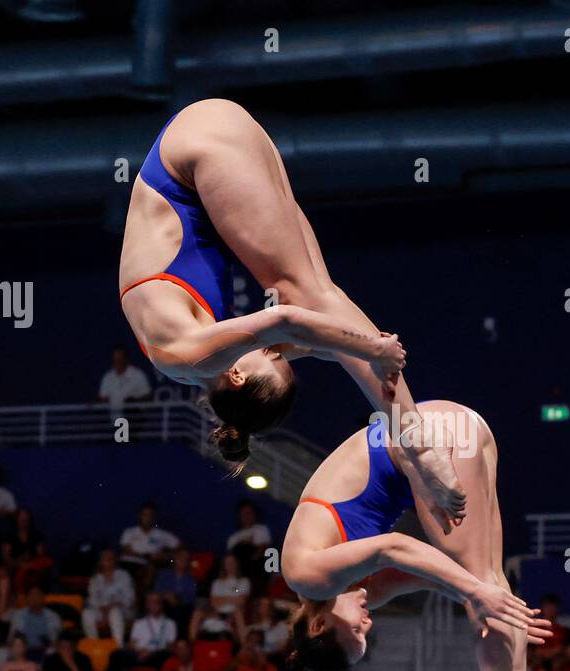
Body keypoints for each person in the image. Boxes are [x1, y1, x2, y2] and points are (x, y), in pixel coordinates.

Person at [117, 98, 463, 522]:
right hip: (216, 136)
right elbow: (319, 338)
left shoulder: (186, 354)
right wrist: (358, 349)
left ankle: (418, 445)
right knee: (319, 293)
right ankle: (411, 446)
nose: (274, 349)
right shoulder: (209, 357)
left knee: (300, 293)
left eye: (271, 356)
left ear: (239, 376)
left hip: (195, 151)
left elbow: (287, 321)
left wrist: (374, 350)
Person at [278, 401, 549, 671]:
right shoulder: (360, 589)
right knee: (491, 587)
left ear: (319, 623)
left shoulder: (308, 575)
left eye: (357, 631)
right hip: (459, 434)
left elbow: (396, 546)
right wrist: (484, 598)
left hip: (430, 440)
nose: (369, 623)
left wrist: (474, 592)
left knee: (481, 586)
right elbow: (430, 578)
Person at [83, 549, 136, 645]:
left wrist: (112, 608)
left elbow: (130, 598)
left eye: (110, 558)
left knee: (114, 612)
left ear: (115, 560)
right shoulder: (95, 579)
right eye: (105, 558)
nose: (108, 560)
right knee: (87, 614)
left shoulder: (124, 575)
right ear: (100, 562)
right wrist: (104, 612)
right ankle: (94, 644)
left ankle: (118, 646)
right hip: (102, 611)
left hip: (122, 610)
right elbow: (93, 600)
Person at [98, 344, 152, 411]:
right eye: (115, 359)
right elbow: (103, 398)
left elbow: (148, 396)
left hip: (136, 419)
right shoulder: (108, 377)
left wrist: (133, 402)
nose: (118, 362)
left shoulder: (138, 375)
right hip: (115, 419)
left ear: (126, 359)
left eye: (120, 359)